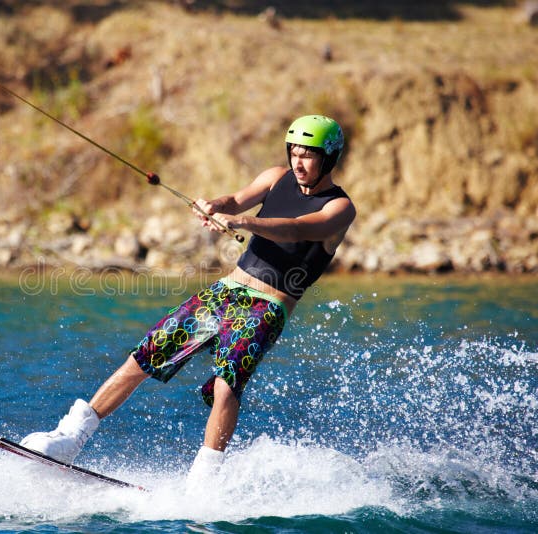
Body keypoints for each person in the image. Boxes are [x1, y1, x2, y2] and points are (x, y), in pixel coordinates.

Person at [20, 114, 356, 484]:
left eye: (308, 155)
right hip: (226, 291)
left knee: (226, 383)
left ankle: (203, 479)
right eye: (294, 151)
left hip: (267, 308)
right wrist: (215, 206)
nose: (298, 161)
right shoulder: (276, 177)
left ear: (329, 157)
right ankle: (70, 437)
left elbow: (298, 229)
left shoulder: (339, 208)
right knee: (143, 356)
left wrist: (245, 223)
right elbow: (237, 199)